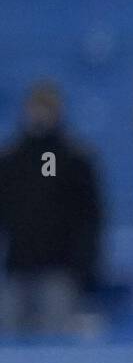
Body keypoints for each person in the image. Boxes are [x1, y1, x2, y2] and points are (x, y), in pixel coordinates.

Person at [0, 82, 103, 336]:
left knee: (55, 339)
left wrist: (83, 267)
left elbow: (90, 218)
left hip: (60, 271)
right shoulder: (11, 161)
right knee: (10, 338)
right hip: (17, 267)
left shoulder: (75, 161)